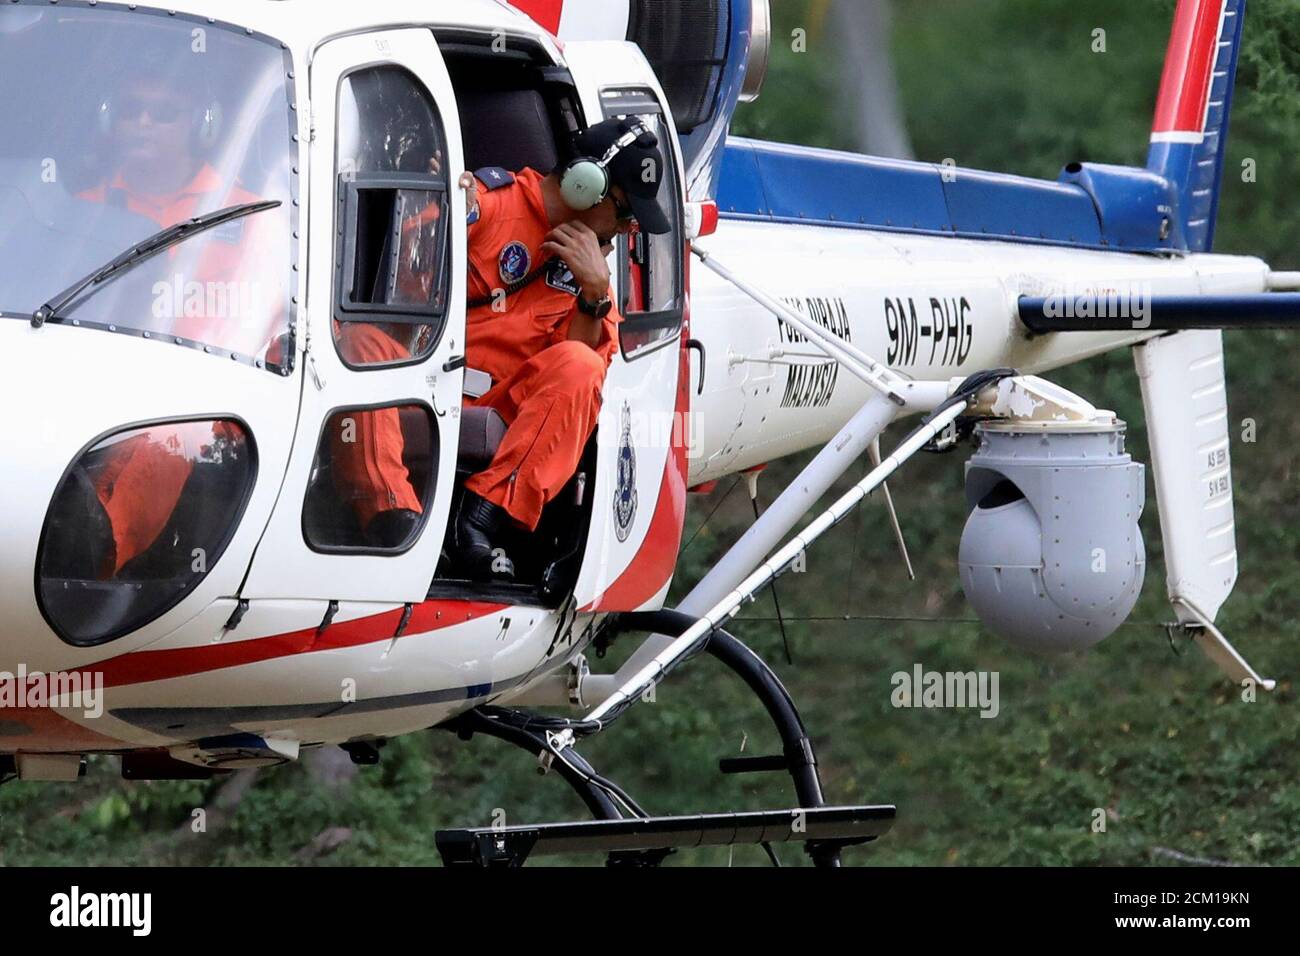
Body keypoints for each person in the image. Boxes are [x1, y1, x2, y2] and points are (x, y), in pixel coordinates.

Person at [448, 116, 673, 580]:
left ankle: (480, 519)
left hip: (502, 410)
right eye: (626, 214)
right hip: (423, 387)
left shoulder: (595, 279)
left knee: (580, 366)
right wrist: (446, 206)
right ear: (584, 186)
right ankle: (394, 518)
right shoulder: (489, 207)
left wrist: (594, 293)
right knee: (370, 346)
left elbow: (576, 384)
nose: (628, 229)